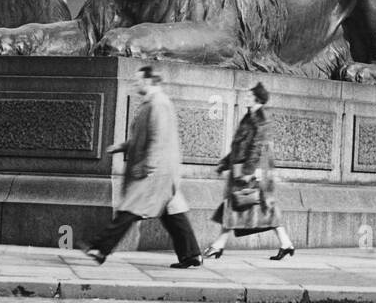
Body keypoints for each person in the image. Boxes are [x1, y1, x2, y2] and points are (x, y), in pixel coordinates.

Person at [80, 65, 202, 268]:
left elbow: (157, 139)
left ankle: (100, 248)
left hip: (154, 172)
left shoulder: (158, 104)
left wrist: (147, 167)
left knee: (130, 208)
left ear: (148, 81)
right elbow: (144, 137)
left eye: (138, 80)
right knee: (172, 213)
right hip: (161, 171)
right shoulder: (152, 103)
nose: (136, 84)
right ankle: (192, 255)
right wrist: (122, 147)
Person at [202, 82, 295, 261]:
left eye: (249, 96)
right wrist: (225, 163)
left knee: (239, 205)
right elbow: (240, 146)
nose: (246, 98)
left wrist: (247, 170)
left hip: (252, 171)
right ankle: (286, 243)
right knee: (253, 207)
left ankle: (218, 246)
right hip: (245, 168)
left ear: (257, 99)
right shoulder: (249, 117)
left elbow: (257, 147)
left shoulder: (261, 119)